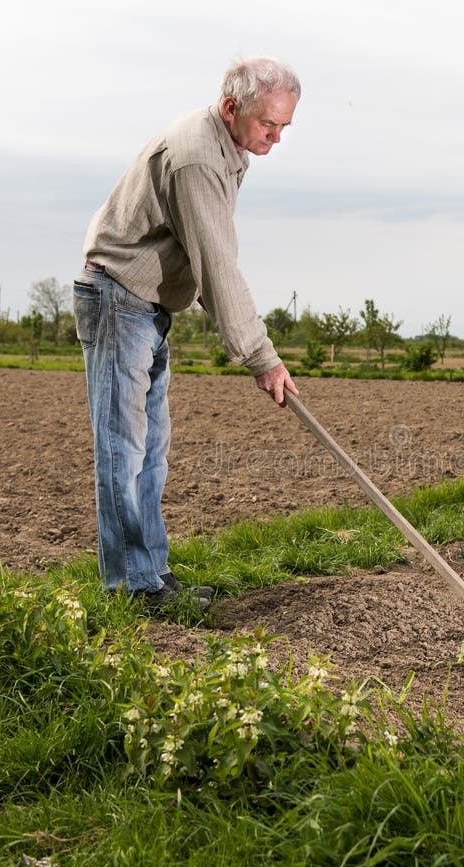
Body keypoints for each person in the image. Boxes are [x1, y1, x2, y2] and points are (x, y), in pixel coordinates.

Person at [73, 56, 300, 610]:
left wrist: (251, 345)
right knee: (124, 451)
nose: (275, 138)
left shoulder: (229, 150)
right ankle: (131, 588)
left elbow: (205, 259)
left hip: (147, 305)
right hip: (119, 299)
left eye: (284, 128)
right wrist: (261, 357)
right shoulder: (197, 158)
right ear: (232, 108)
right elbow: (217, 266)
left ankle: (148, 575)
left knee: (151, 451)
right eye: (268, 125)